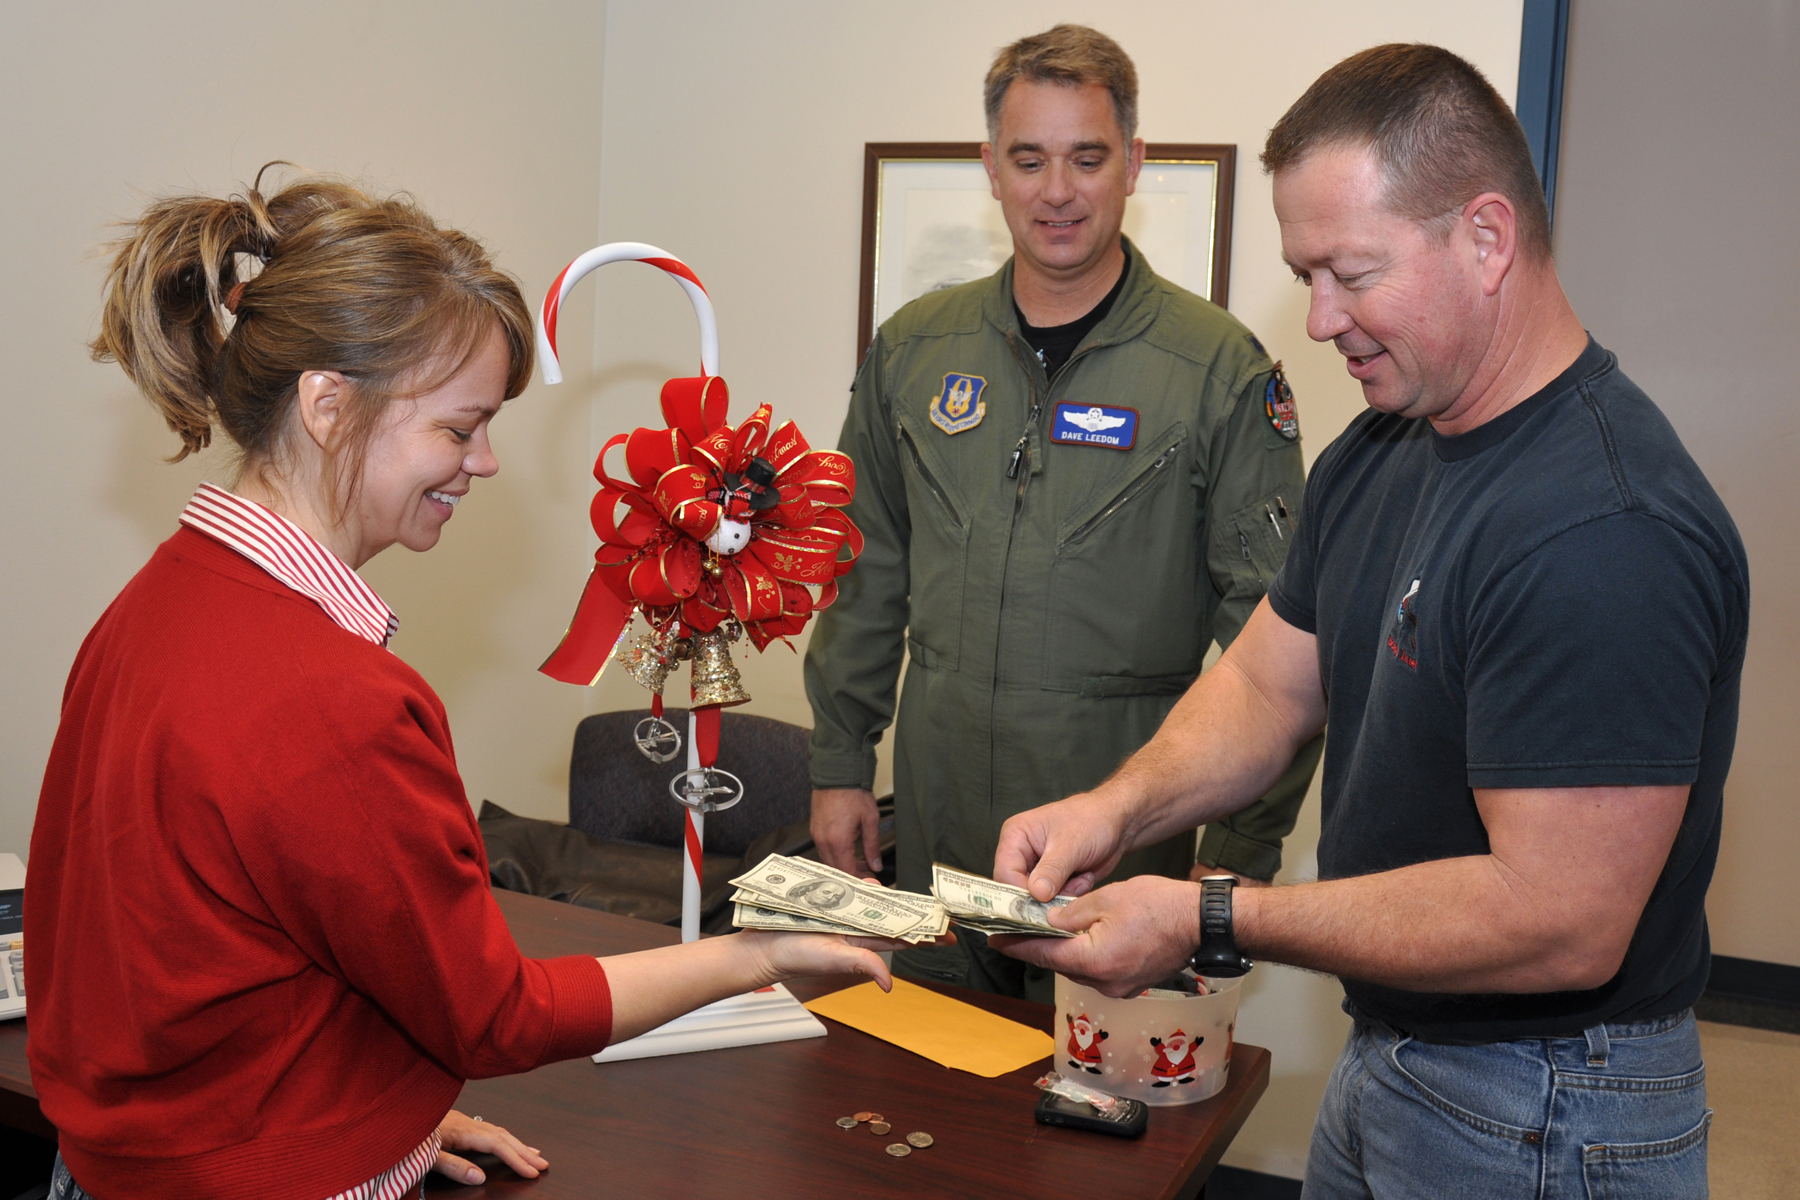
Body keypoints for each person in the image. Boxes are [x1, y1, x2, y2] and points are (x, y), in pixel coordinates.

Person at [28, 169, 923, 1200]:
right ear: (328, 404)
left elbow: (207, 959)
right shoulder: (333, 699)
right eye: (457, 429)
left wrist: (382, 1107)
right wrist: (759, 955)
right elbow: (496, 1015)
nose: (485, 463)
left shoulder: (154, 606)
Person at [989, 44, 1748, 1198]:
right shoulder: (1386, 444)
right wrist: (1113, 807)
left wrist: (1206, 916)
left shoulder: (1604, 528)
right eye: (1306, 274)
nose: (1320, 317)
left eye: (1351, 272)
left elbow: (1555, 921)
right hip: (1399, 1059)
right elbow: (1264, 689)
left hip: (1545, 1102)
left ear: (1486, 239)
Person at [803, 23, 1322, 1003]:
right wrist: (839, 763)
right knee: (926, 1117)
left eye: (1087, 158)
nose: (1057, 190)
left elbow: (1286, 634)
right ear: (989, 169)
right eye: (1029, 159)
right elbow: (862, 567)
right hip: (938, 841)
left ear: (1133, 165)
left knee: (1115, 1134)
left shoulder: (1216, 371)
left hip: (1125, 856)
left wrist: (1240, 849)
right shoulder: (915, 349)